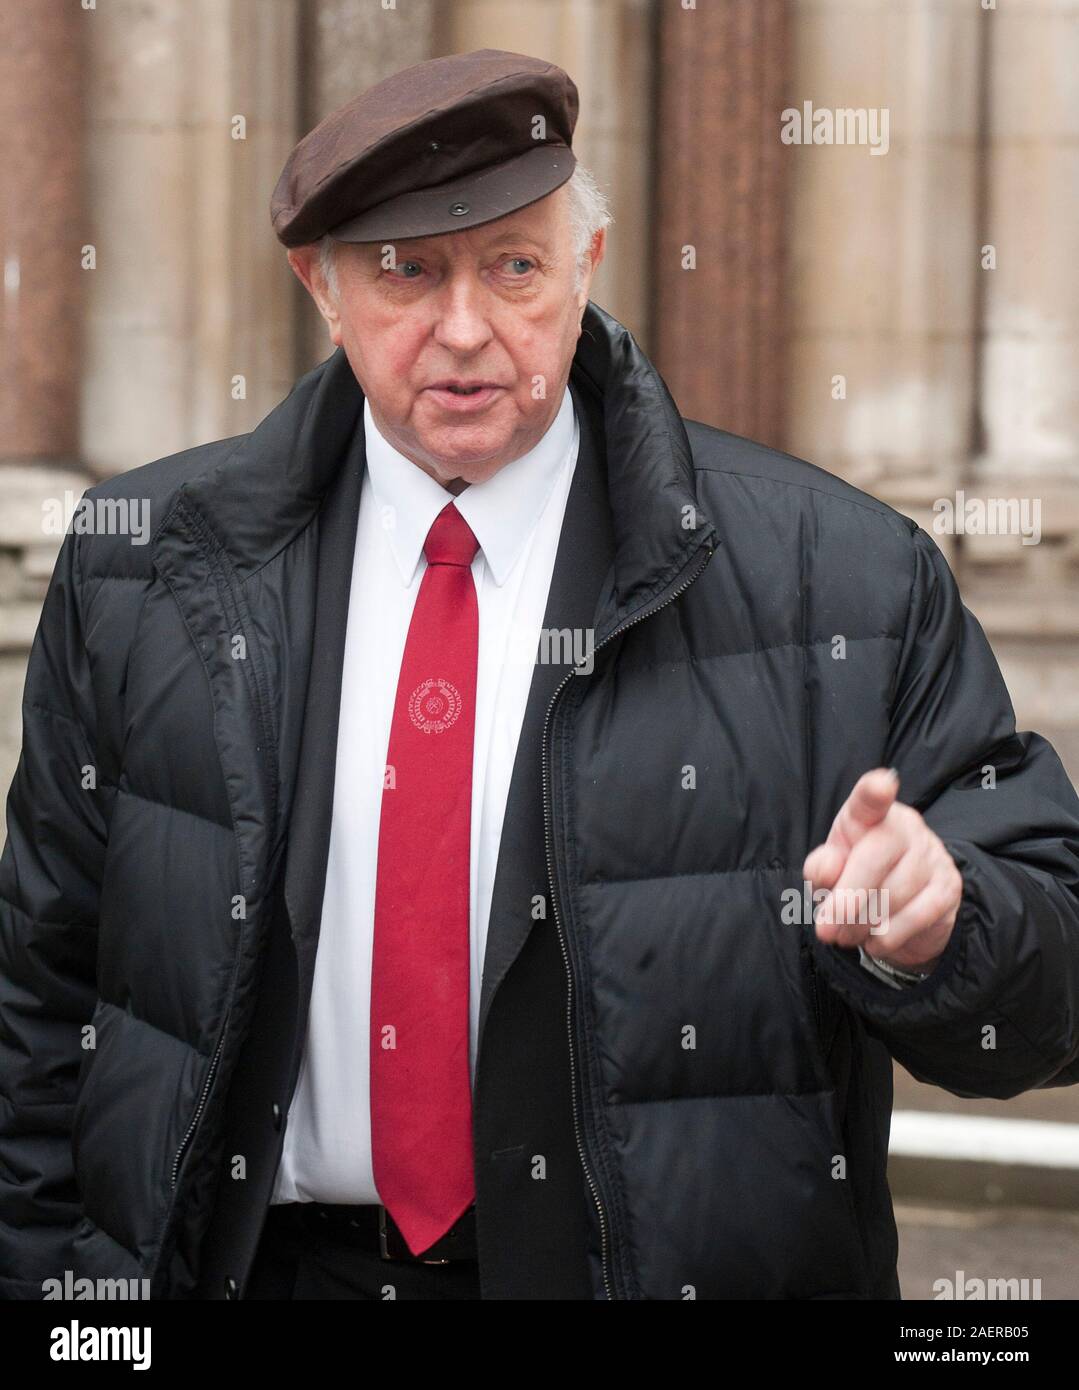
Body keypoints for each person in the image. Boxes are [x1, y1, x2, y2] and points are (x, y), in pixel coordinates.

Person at [1, 48, 1078, 1303]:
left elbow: (1045, 1003)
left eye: (512, 265)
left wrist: (940, 930)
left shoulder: (841, 579)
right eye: (406, 270)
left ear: (585, 269)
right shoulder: (143, 572)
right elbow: (41, 1009)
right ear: (321, 286)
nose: (464, 329)